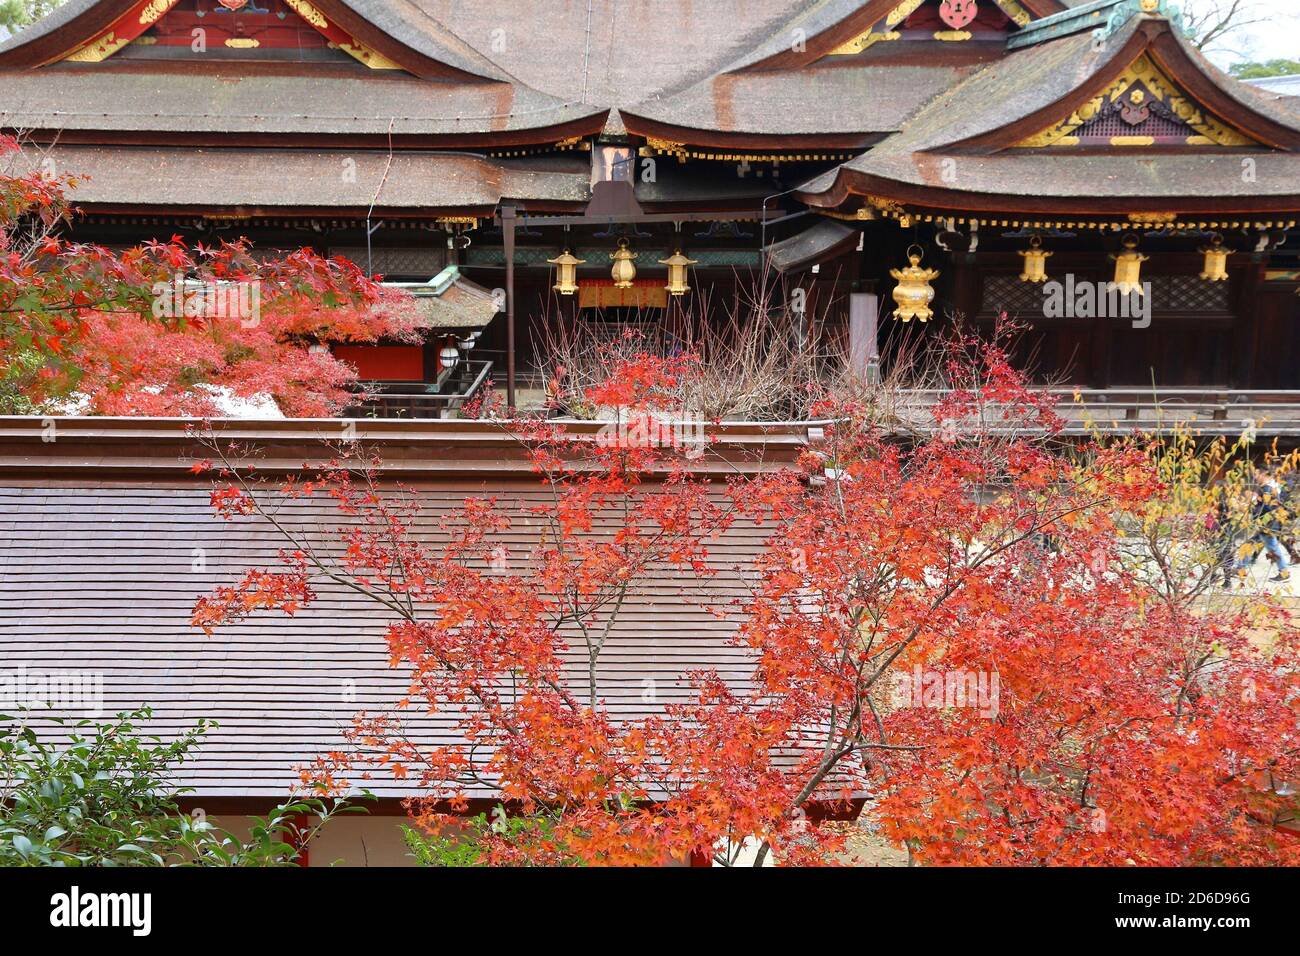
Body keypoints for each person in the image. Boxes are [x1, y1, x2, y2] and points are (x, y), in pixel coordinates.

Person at [1236, 469, 1291, 583]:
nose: (1255, 476)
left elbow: (1269, 509)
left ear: (1264, 473)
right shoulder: (1272, 486)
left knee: (1273, 550)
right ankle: (1240, 568)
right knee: (1249, 544)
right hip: (1267, 524)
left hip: (1268, 525)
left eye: (1256, 474)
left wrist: (1253, 503)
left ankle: (1284, 573)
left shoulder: (1267, 489)